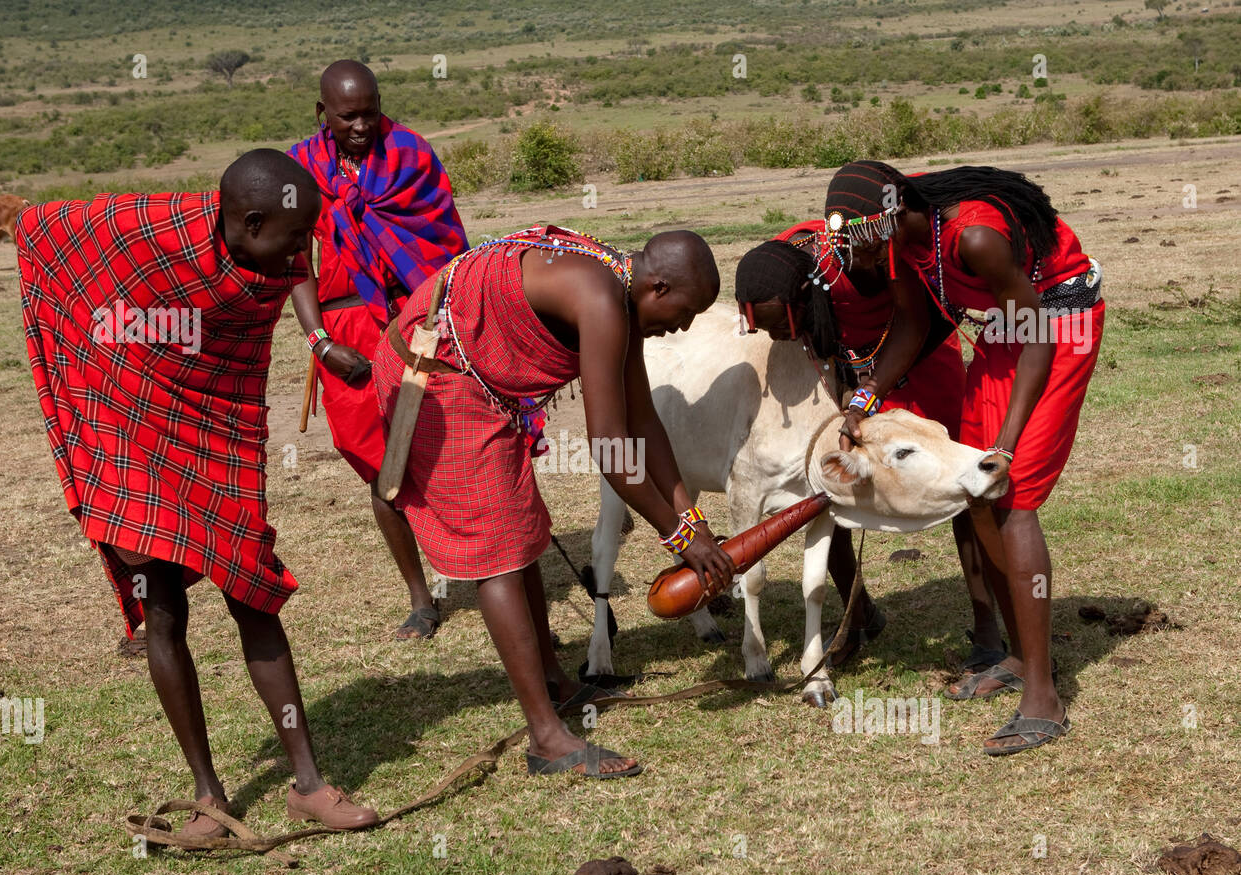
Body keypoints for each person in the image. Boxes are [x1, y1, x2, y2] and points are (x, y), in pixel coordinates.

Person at [17, 150, 379, 833]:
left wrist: (320, 337)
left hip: (217, 423)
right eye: (292, 238)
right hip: (133, 421)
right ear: (245, 222)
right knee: (164, 606)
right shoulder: (156, 227)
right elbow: (42, 228)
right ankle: (209, 794)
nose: (303, 254)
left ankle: (308, 782)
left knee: (253, 590)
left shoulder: (279, 244)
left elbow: (301, 262)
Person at [372, 226, 737, 778]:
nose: (680, 329)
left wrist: (691, 518)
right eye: (684, 313)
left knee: (522, 533)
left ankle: (555, 684)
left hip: (474, 380)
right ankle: (546, 738)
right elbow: (613, 449)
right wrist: (679, 536)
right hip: (434, 375)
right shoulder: (602, 299)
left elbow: (643, 423)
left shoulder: (623, 289)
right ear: (658, 287)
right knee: (498, 553)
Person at [823, 160, 1104, 755]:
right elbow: (914, 319)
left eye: (865, 245)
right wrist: (870, 393)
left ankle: (1044, 697)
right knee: (976, 491)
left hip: (1056, 325)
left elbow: (1039, 332)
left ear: (894, 216)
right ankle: (1018, 654)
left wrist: (1005, 444)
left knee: (1012, 492)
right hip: (1007, 326)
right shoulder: (897, 236)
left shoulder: (974, 236)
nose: (865, 262)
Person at [735, 229, 1002, 679]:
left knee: (962, 483)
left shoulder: (871, 253)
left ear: (807, 295)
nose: (777, 336)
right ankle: (858, 615)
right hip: (840, 373)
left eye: (782, 324)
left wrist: (871, 389)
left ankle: (988, 630)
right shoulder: (780, 264)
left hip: (919, 364)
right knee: (831, 484)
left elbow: (922, 317)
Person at [289, 59, 469, 640]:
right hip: (344, 336)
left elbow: (445, 247)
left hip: (417, 322)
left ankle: (482, 565)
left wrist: (436, 324)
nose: (362, 126)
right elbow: (296, 266)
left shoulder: (412, 157)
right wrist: (321, 343)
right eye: (347, 117)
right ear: (323, 114)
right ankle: (421, 598)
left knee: (449, 453)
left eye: (370, 112)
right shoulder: (301, 170)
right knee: (379, 467)